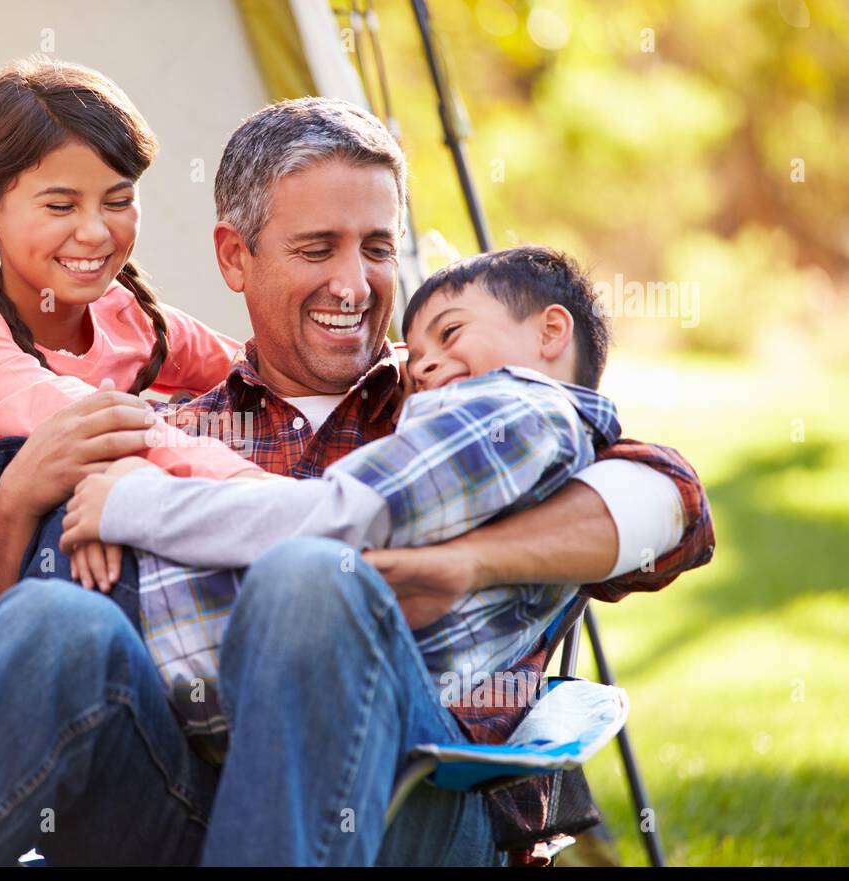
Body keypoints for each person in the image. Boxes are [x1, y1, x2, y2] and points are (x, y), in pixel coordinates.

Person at [0, 98, 713, 866]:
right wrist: (18, 506)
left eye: (376, 248)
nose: (354, 284)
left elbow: (673, 498)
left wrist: (466, 561)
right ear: (235, 259)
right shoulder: (163, 435)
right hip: (183, 803)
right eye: (317, 247)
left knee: (307, 578)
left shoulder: (453, 403)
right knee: (55, 621)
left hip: (417, 805)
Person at [59, 245, 622, 757]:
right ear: (236, 256)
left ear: (551, 332)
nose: (421, 366)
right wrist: (130, 460)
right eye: (313, 249)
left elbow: (340, 519)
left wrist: (133, 502)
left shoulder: (514, 414)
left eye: (449, 334)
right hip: (207, 700)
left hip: (240, 685)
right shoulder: (207, 419)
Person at [0, 55, 265, 684]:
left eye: (118, 201)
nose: (94, 232)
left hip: (84, 587)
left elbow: (258, 371)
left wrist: (405, 365)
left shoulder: (132, 318)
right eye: (60, 206)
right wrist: (264, 497)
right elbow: (77, 417)